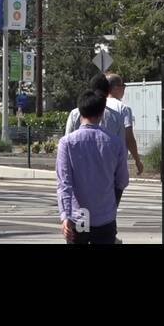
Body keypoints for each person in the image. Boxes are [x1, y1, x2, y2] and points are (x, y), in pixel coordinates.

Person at [56, 89, 129, 244]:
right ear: (102, 112)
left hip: (80, 215)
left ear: (80, 111)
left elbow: (64, 184)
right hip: (106, 216)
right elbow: (122, 180)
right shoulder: (116, 143)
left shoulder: (67, 143)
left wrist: (65, 216)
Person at [104, 73, 144, 175]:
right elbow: (129, 138)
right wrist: (137, 160)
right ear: (116, 88)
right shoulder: (123, 108)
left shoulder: (96, 105)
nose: (124, 90)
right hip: (116, 162)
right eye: (123, 86)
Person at [64, 74, 124, 141]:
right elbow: (121, 144)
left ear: (91, 90)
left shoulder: (75, 113)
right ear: (108, 92)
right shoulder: (116, 116)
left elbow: (67, 139)